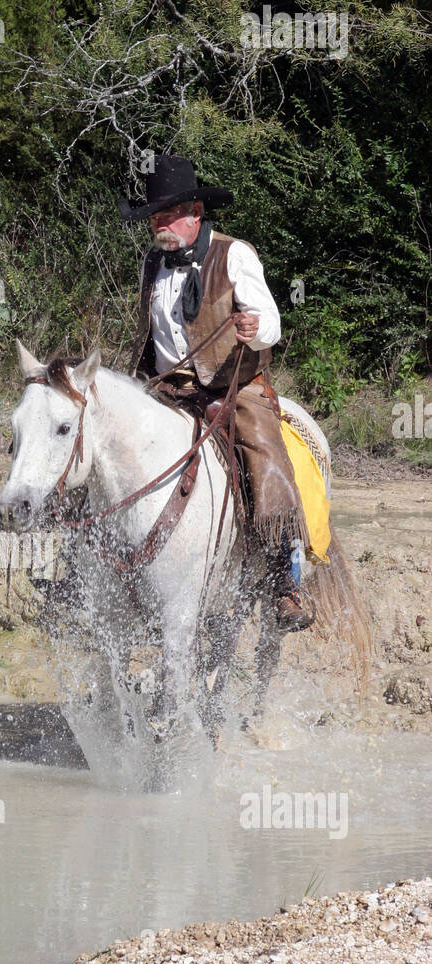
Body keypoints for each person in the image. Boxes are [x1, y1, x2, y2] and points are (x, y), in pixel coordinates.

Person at [121, 153, 314, 631]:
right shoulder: (153, 262)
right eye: (154, 217)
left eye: (166, 215)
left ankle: (282, 579)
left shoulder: (234, 255)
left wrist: (254, 325)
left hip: (234, 384)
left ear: (195, 213)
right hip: (167, 386)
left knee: (262, 450)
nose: (159, 225)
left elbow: (271, 320)